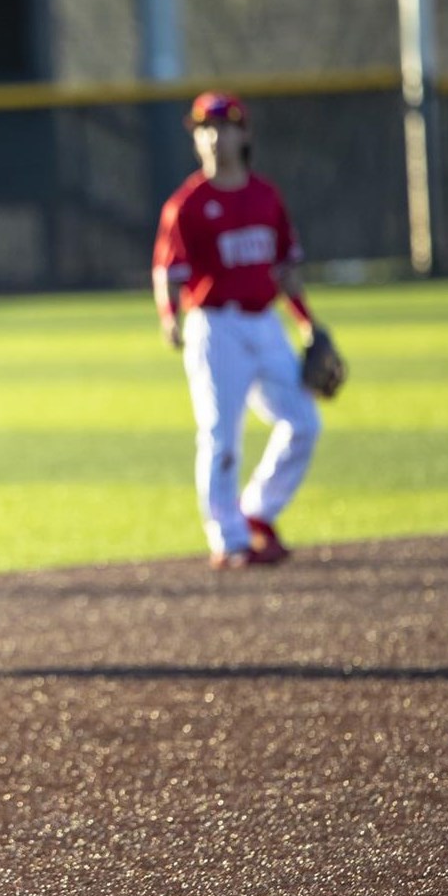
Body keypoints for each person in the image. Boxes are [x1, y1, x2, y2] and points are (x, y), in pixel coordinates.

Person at [152, 91, 325, 570]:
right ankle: (228, 538)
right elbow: (168, 272)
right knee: (220, 435)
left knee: (304, 422)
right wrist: (170, 318)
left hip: (264, 323)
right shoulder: (188, 204)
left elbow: (286, 269)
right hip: (215, 326)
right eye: (204, 129)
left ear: (243, 134)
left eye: (224, 127)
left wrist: (307, 323)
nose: (214, 137)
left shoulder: (266, 196)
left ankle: (258, 513)